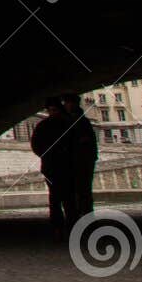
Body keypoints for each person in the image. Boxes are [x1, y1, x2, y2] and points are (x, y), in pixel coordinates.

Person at [30, 99, 70, 238]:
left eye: (55, 110)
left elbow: (36, 145)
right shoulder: (64, 124)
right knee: (57, 197)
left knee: (63, 198)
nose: (52, 113)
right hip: (53, 166)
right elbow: (35, 145)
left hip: (59, 165)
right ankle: (60, 227)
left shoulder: (46, 125)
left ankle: (65, 226)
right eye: (51, 110)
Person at [63, 94, 99, 229]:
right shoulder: (82, 121)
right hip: (81, 162)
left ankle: (78, 221)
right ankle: (84, 220)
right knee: (82, 193)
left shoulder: (77, 122)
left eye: (67, 102)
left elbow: (85, 143)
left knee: (79, 192)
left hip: (79, 163)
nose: (66, 105)